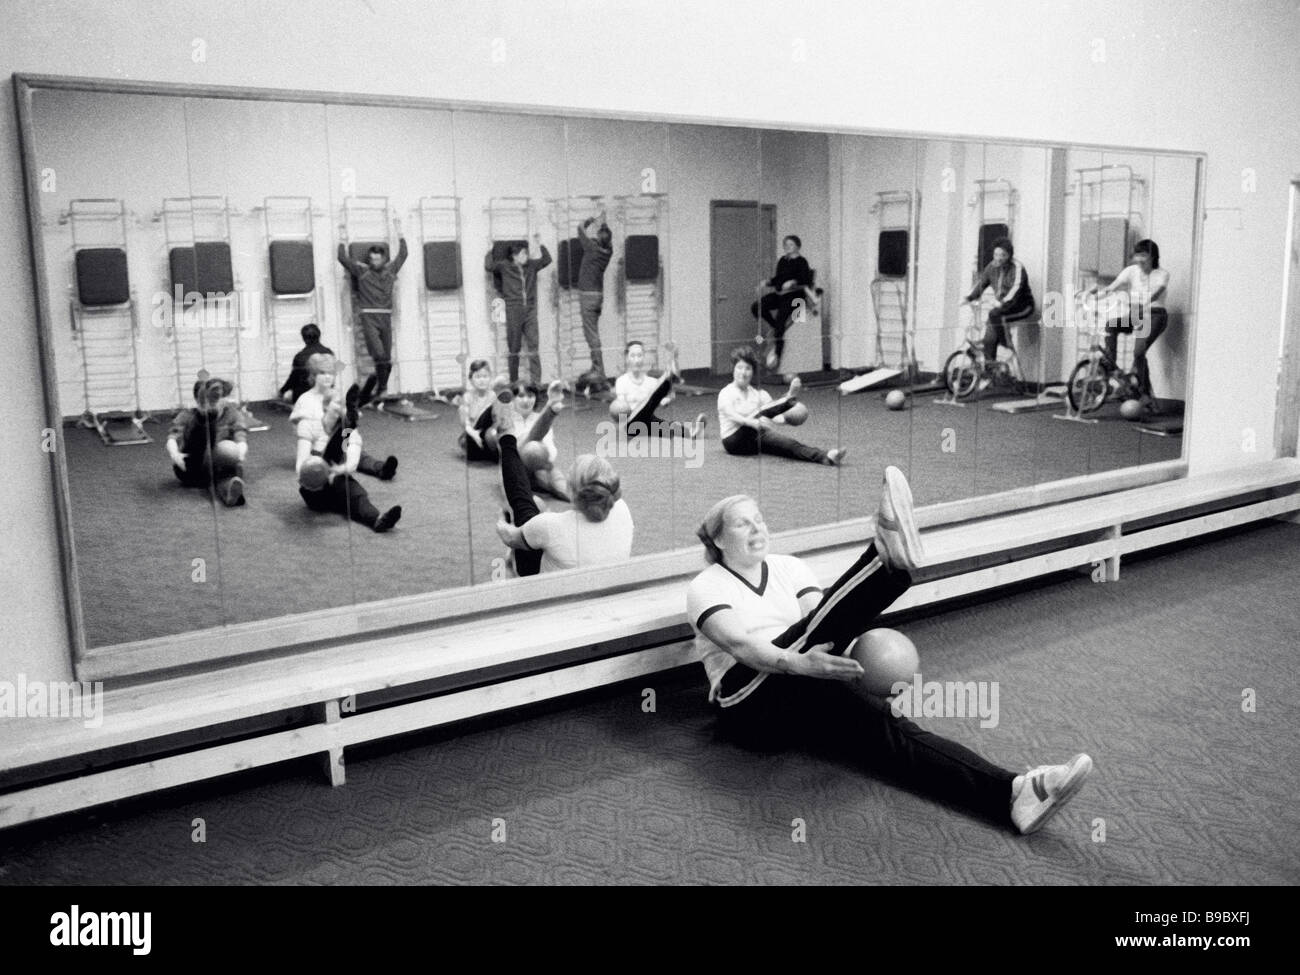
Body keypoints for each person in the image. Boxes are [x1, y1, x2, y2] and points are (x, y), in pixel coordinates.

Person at [686, 476, 1094, 835]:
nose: (757, 527)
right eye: (743, 523)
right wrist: (798, 663)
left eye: (760, 518)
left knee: (892, 732)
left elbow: (828, 619)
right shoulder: (707, 585)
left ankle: (1013, 793)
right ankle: (884, 562)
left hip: (801, 691)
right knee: (805, 638)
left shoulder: (789, 567)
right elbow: (741, 645)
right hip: (746, 704)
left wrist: (856, 667)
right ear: (718, 539)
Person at [495, 414, 633, 575]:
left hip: (549, 594)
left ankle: (507, 440)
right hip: (609, 591)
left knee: (524, 506)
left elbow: (510, 538)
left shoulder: (550, 525)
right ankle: (508, 440)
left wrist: (502, 521)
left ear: (572, 492)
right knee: (536, 511)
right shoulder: (623, 509)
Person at [293, 365, 401, 533]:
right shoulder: (308, 424)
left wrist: (337, 470)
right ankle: (352, 420)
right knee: (329, 458)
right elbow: (300, 462)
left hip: (335, 482)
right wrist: (310, 475)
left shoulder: (346, 434)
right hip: (313, 492)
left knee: (354, 495)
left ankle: (378, 520)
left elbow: (351, 460)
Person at [718, 346, 844, 466]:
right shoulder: (726, 393)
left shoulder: (759, 395)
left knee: (789, 444)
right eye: (739, 368)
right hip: (734, 441)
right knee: (762, 412)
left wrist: (787, 419)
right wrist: (751, 422)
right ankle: (788, 399)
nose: (743, 373)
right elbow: (732, 415)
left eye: (747, 368)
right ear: (733, 369)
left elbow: (775, 417)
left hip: (754, 441)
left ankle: (826, 457)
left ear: (752, 372)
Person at [291, 353, 397, 481]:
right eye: (323, 373)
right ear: (313, 375)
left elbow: (347, 423)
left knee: (361, 456)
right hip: (321, 449)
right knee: (343, 456)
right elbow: (303, 435)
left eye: (330, 374)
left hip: (341, 440)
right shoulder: (306, 399)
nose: (327, 377)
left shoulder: (337, 395)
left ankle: (382, 469)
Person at [337, 218, 408, 404]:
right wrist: (342, 238)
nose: (375, 261)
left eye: (378, 258)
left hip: (386, 317)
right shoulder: (362, 271)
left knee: (387, 358)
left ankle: (381, 389)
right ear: (369, 259)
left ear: (383, 259)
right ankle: (381, 389)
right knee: (380, 355)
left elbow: (404, 254)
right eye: (372, 258)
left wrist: (399, 232)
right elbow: (342, 258)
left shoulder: (391, 270)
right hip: (368, 316)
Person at [1094, 239, 1170, 413]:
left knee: (1138, 352)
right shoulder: (1131, 271)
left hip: (1154, 315)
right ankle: (1111, 363)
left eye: (1144, 255)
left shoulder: (1162, 274)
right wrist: (1096, 296)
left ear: (1153, 256)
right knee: (1111, 325)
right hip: (1137, 314)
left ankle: (1145, 394)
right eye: (1138, 255)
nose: (1140, 259)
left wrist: (1142, 304)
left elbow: (1155, 293)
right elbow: (1113, 286)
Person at [166, 373, 248, 507]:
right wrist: (175, 455)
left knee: (226, 465)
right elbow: (172, 438)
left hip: (216, 466)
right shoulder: (187, 414)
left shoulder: (232, 414)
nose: (216, 401)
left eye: (218, 398)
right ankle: (203, 418)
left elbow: (241, 438)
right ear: (199, 401)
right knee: (200, 432)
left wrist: (238, 455)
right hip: (192, 465)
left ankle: (232, 495)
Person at [484, 235, 552, 384]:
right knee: (514, 348)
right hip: (513, 310)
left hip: (530, 311)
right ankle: (513, 382)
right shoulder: (504, 266)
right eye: (522, 253)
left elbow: (547, 259)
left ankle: (536, 383)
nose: (526, 256)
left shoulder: (532, 266)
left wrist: (540, 243)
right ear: (514, 256)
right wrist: (490, 250)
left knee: (534, 347)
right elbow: (489, 266)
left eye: (526, 253)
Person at [610, 339, 706, 441]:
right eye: (633, 356)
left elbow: (667, 395)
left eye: (639, 356)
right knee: (654, 395)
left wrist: (666, 400)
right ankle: (668, 377)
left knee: (669, 427)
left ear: (644, 357)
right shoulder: (621, 381)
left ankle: (693, 433)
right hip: (629, 424)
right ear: (627, 358)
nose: (637, 360)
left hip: (647, 421)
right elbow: (620, 410)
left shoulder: (650, 382)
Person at [964, 236, 1035, 368]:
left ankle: (1005, 343)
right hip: (1002, 307)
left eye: (1002, 255)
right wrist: (969, 298)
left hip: (1022, 306)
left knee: (994, 315)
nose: (998, 258)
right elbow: (981, 284)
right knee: (990, 337)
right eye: (996, 254)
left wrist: (1002, 302)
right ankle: (990, 370)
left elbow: (1016, 289)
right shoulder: (991, 267)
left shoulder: (1017, 268)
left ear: (1009, 255)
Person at [751, 234, 816, 371]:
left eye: (790, 244)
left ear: (797, 246)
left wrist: (793, 282)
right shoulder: (782, 261)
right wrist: (766, 282)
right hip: (780, 295)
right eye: (785, 244)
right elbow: (778, 279)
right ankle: (775, 326)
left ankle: (777, 356)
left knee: (781, 321)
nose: (787, 247)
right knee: (757, 307)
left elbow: (806, 281)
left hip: (795, 297)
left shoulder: (802, 261)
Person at [510, 380, 570, 501]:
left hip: (541, 465)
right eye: (521, 396)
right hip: (517, 472)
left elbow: (550, 451)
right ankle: (551, 410)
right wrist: (550, 410)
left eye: (530, 396)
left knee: (571, 493)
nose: (526, 401)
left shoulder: (539, 419)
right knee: (532, 448)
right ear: (512, 399)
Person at [576, 213, 614, 390]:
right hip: (598, 296)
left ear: (598, 238)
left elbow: (579, 228)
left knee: (591, 335)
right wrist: (602, 224)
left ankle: (599, 371)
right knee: (593, 334)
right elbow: (606, 237)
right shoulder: (608, 250)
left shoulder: (592, 248)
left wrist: (590, 219)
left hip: (588, 297)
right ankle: (596, 367)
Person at [457, 359, 510, 463]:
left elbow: (497, 421)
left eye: (485, 377)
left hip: (488, 436)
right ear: (471, 380)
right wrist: (474, 434)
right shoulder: (467, 397)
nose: (482, 380)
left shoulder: (493, 396)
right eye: (478, 377)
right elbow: (466, 424)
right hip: (472, 437)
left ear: (490, 378)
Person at [278, 322, 333, 405]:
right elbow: (336, 370)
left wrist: (282, 391)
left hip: (304, 395)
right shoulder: (330, 353)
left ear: (304, 338)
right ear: (319, 335)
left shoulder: (300, 356)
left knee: (288, 396)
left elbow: (293, 379)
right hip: (325, 393)